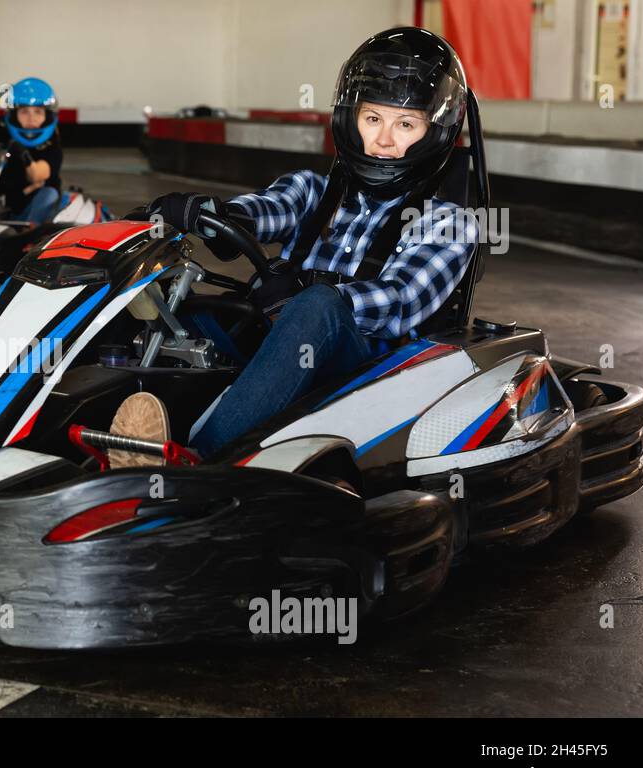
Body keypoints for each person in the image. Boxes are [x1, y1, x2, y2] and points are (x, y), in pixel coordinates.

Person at [109, 27, 478, 467]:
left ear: (435, 133)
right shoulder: (313, 190)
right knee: (176, 306)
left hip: (366, 372)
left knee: (317, 307)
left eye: (405, 124)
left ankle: (196, 462)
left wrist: (306, 296)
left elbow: (400, 302)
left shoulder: (448, 223)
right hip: (283, 341)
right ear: (350, 119)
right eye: (373, 119)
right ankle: (101, 418)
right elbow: (264, 210)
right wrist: (207, 216)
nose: (383, 140)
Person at [0, 77, 64, 224]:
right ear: (14, 115)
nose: (31, 118)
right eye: (24, 111)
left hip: (29, 210)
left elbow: (37, 175)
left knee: (49, 194)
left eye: (38, 112)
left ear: (47, 116)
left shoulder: (51, 144)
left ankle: (30, 237)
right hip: (0, 204)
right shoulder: (2, 131)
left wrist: (18, 150)